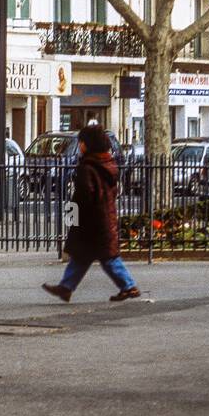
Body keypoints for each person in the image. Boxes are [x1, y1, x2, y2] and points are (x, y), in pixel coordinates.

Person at [42, 123, 140, 302]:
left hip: (93, 221)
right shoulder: (107, 164)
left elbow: (83, 196)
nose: (79, 145)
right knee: (85, 256)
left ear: (88, 144)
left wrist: (72, 216)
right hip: (104, 217)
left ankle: (128, 286)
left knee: (106, 257)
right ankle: (66, 287)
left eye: (81, 142)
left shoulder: (87, 168)